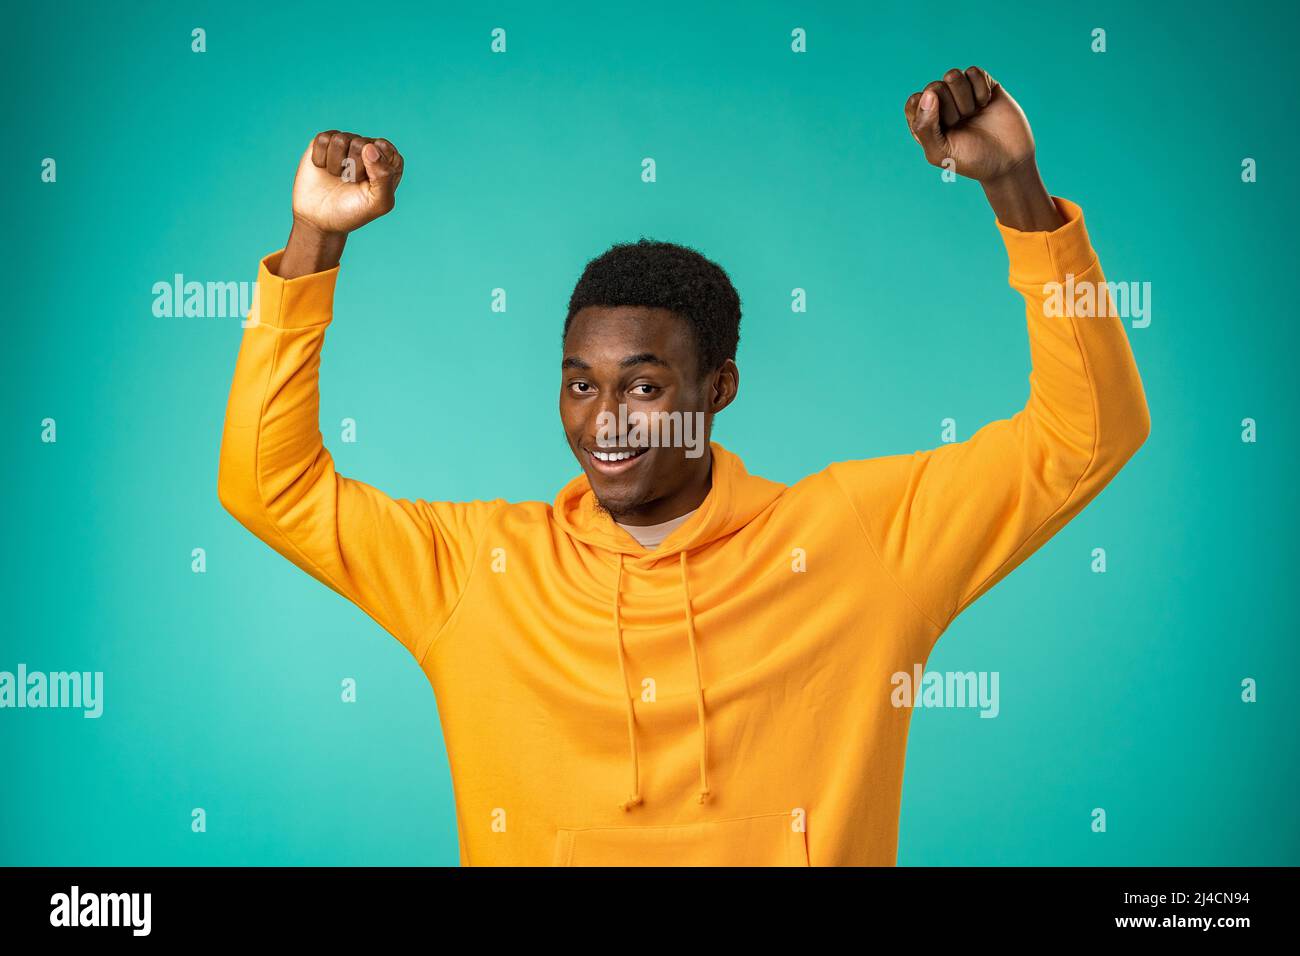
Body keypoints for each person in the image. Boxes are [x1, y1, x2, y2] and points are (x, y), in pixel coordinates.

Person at [218, 66, 1149, 866]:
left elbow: (1087, 434)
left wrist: (1018, 191)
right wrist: (315, 242)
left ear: (719, 389)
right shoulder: (479, 571)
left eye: (645, 387)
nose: (605, 421)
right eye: (580, 385)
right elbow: (270, 486)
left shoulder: (857, 541)